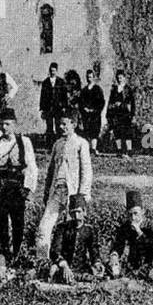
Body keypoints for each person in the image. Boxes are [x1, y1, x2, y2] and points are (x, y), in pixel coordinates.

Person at [0, 107, 37, 263]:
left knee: (18, 223)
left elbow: (31, 167)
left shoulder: (24, 142)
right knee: (2, 224)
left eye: (7, 124)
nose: (4, 127)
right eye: (2, 124)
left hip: (17, 189)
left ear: (14, 124)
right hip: (0, 188)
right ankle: (4, 254)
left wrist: (28, 189)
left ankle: (18, 255)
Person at [37, 111, 93, 260]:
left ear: (73, 124)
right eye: (59, 124)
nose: (61, 127)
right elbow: (50, 172)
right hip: (56, 191)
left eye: (65, 124)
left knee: (72, 228)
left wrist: (82, 195)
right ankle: (42, 260)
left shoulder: (81, 143)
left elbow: (86, 170)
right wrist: (46, 192)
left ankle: (70, 262)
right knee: (44, 226)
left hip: (73, 193)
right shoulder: (57, 144)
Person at [46, 194, 100, 284]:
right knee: (53, 271)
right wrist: (63, 265)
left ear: (84, 212)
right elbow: (55, 250)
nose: (76, 216)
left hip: (82, 268)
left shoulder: (89, 230)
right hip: (63, 266)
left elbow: (94, 251)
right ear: (70, 213)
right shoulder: (62, 228)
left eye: (79, 212)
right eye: (73, 212)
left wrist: (97, 263)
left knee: (97, 277)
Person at [108, 190, 153, 278]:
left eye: (136, 213)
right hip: (131, 265)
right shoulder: (125, 226)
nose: (133, 217)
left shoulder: (152, 226)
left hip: (149, 264)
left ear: (143, 211)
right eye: (130, 214)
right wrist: (114, 255)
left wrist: (139, 231)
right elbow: (118, 245)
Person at [105, 69, 136, 156]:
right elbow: (110, 102)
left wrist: (132, 114)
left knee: (127, 132)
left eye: (121, 78)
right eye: (118, 78)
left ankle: (129, 150)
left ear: (124, 78)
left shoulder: (128, 89)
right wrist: (109, 112)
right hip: (116, 113)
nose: (119, 79)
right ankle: (119, 150)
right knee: (117, 131)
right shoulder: (114, 89)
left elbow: (132, 103)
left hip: (126, 113)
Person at [38, 63, 68, 148]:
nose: (52, 72)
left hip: (58, 108)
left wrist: (64, 106)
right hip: (48, 108)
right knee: (49, 126)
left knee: (59, 126)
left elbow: (64, 95)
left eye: (54, 71)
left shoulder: (61, 82)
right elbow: (42, 96)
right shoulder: (45, 82)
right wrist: (42, 109)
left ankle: (59, 144)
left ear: (57, 71)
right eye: (51, 71)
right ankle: (49, 145)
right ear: (49, 71)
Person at [78, 68, 105, 154]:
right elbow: (81, 102)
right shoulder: (84, 90)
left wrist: (95, 110)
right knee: (87, 130)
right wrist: (84, 109)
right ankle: (87, 148)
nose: (88, 79)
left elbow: (101, 102)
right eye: (87, 77)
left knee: (94, 130)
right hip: (86, 114)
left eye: (90, 77)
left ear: (93, 78)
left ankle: (93, 148)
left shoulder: (97, 89)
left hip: (95, 114)